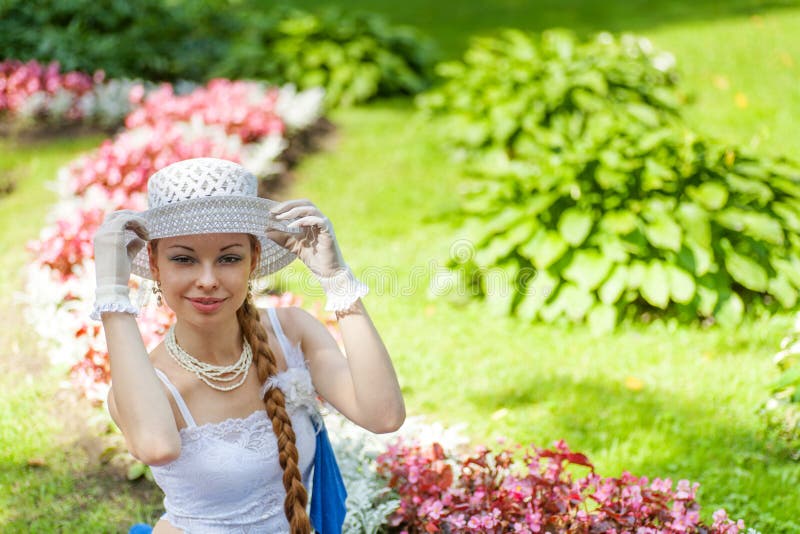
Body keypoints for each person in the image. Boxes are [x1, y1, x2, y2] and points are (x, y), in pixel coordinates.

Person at [91, 157, 405, 533]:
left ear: (253, 260)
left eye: (228, 257)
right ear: (155, 266)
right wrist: (112, 297)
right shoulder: (149, 384)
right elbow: (156, 446)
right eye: (183, 259)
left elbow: (383, 415)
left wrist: (336, 279)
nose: (207, 280)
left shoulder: (291, 334)